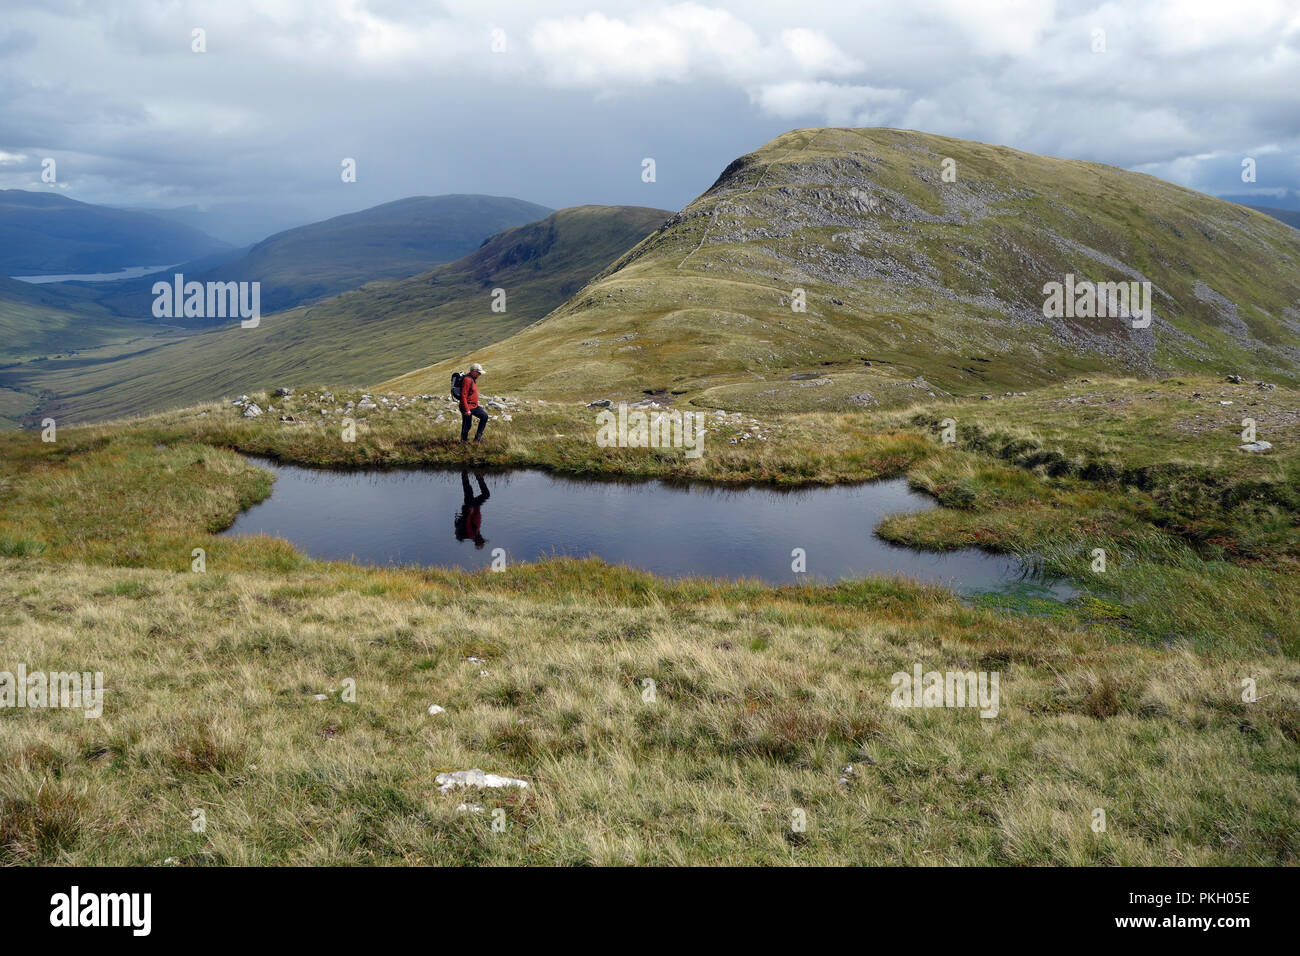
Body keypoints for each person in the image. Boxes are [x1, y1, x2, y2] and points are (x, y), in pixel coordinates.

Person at [454, 469, 490, 549]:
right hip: (474, 507)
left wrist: (470, 512)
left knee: (469, 491)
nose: (482, 538)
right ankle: (476, 475)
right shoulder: (476, 533)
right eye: (482, 539)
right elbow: (476, 519)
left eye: (481, 540)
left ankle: (465, 473)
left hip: (469, 509)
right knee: (484, 494)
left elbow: (468, 523)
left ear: (478, 541)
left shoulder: (471, 535)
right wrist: (477, 508)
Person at [459, 362, 488, 442]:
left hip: (474, 406)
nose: (480, 375)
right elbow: (463, 395)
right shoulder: (467, 380)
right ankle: (463, 441)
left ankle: (477, 438)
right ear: (473, 371)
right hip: (467, 407)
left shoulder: (472, 379)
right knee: (467, 425)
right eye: (478, 373)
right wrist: (467, 409)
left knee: (484, 417)